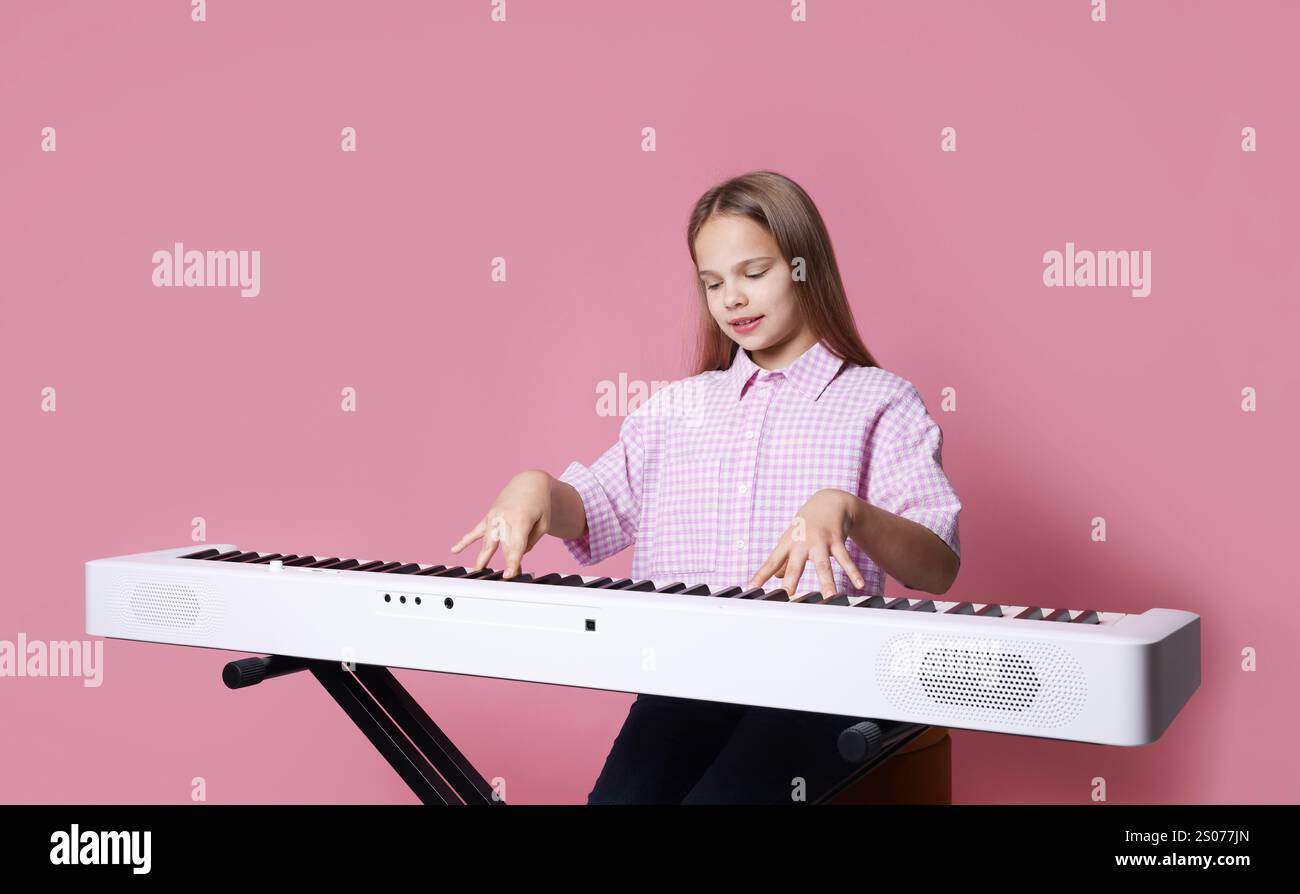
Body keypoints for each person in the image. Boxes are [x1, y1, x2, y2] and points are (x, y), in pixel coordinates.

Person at [451, 170, 962, 804]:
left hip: (816, 690)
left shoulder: (879, 402)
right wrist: (535, 489)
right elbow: (594, 506)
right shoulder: (675, 411)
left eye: (754, 273)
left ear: (805, 268)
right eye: (713, 283)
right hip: (685, 681)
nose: (732, 300)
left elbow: (938, 567)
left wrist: (851, 512)